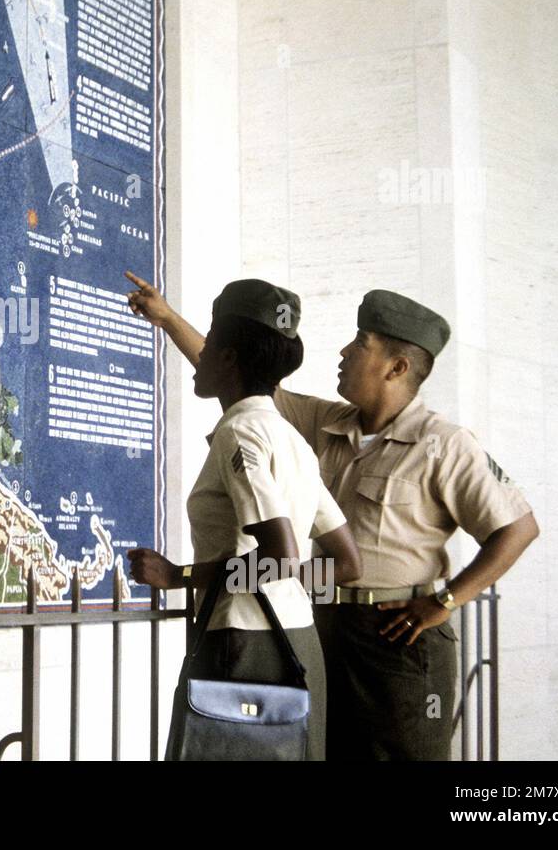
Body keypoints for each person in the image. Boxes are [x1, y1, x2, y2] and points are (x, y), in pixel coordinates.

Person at [126, 272, 540, 760]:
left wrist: (446, 601)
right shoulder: (325, 424)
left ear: (396, 366)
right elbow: (241, 372)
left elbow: (518, 527)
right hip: (321, 626)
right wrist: (168, 319)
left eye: (360, 344)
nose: (344, 353)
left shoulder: (445, 444)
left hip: (396, 637)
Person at [127, 278, 362, 761]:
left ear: (229, 358)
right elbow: (347, 563)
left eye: (210, 343)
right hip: (298, 643)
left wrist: (179, 577)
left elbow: (278, 555)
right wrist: (288, 584)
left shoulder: (240, 433)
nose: (203, 353)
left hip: (246, 645)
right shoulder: (292, 439)